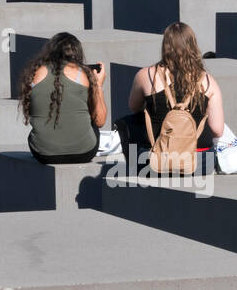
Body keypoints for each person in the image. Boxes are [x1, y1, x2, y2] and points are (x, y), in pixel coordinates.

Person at [119, 21, 225, 175]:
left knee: (128, 123)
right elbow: (218, 129)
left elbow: (134, 107)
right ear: (193, 46)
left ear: (165, 46)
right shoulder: (208, 82)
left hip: (157, 161)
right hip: (199, 161)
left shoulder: (145, 76)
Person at [17, 32, 107, 164]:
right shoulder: (83, 75)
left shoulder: (35, 73)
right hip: (84, 152)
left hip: (43, 153)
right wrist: (98, 85)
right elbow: (100, 121)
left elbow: (34, 112)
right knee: (91, 120)